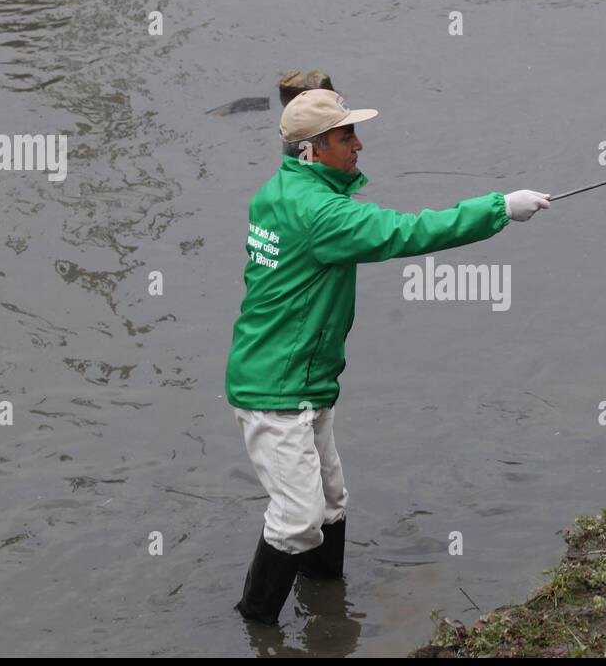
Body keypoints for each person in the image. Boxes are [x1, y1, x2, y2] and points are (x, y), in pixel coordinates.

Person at [226, 88, 551, 625]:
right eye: (345, 135)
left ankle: (327, 610)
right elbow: (408, 232)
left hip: (305, 380)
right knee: (297, 522)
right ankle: (255, 628)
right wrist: (499, 208)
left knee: (331, 502)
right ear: (311, 149)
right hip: (276, 391)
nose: (359, 144)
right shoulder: (320, 215)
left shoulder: (280, 191)